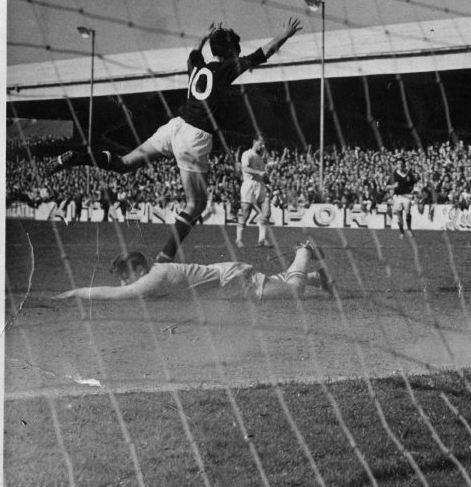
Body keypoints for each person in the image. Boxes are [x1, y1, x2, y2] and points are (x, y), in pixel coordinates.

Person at [48, 17, 302, 262]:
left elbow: (193, 52)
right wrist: (284, 35)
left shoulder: (198, 65)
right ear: (232, 51)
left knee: (124, 163)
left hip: (174, 127)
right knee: (196, 205)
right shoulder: (226, 68)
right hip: (194, 136)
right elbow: (262, 54)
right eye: (236, 49)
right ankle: (164, 259)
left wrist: (202, 37)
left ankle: (78, 157)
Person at [53, 238, 333, 302]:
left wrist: (77, 292)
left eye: (126, 275)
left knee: (293, 292)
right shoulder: (156, 272)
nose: (126, 282)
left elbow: (116, 295)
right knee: (274, 283)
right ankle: (315, 278)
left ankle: (304, 250)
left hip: (230, 280)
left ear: (138, 269)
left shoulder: (155, 277)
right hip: (226, 278)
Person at [235, 137, 274, 247]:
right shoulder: (247, 154)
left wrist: (266, 178)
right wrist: (259, 172)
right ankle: (239, 239)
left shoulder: (260, 158)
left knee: (266, 212)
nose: (262, 146)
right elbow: (245, 168)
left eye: (263, 145)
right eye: (260, 144)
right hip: (249, 185)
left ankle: (262, 240)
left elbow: (261, 174)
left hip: (260, 185)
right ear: (254, 142)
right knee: (246, 212)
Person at [386, 157, 416, 237]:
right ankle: (402, 232)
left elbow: (413, 183)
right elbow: (387, 186)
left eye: (401, 163)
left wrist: (411, 187)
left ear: (404, 164)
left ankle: (409, 229)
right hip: (397, 196)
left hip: (407, 195)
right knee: (399, 216)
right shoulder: (394, 174)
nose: (400, 165)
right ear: (396, 165)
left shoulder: (408, 173)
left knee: (408, 213)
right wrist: (393, 186)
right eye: (398, 164)